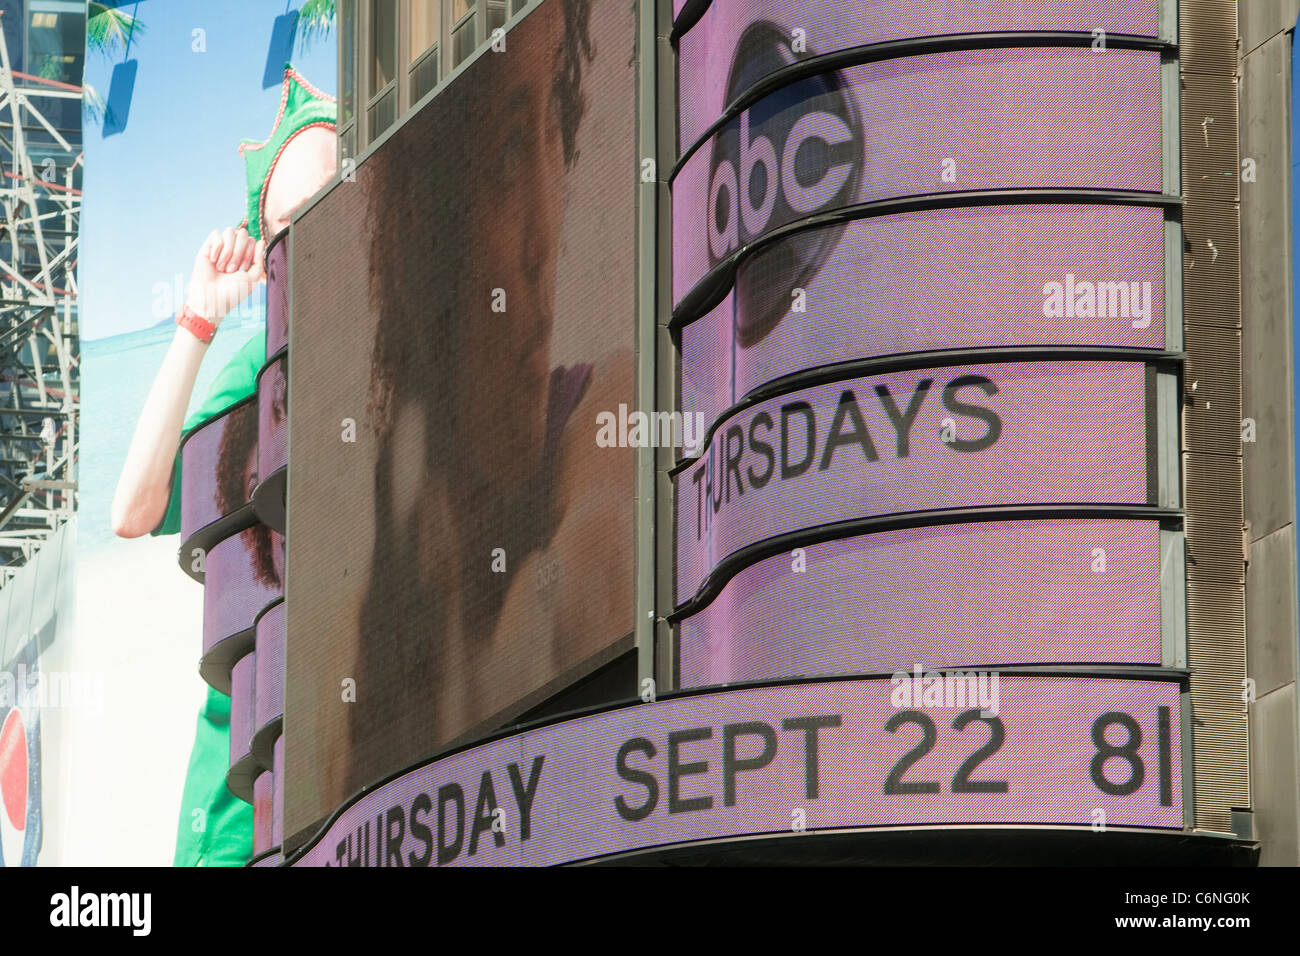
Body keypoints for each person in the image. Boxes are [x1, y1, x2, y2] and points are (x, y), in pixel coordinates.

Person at [347, 0, 634, 785]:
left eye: (552, 128)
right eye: (509, 155)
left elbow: (598, 556)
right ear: (420, 227)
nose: (548, 241)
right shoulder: (370, 609)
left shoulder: (612, 405)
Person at [111, 66, 336, 866]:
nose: (305, 239)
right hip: (239, 819)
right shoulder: (255, 376)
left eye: (326, 207)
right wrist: (200, 315)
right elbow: (134, 509)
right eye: (285, 225)